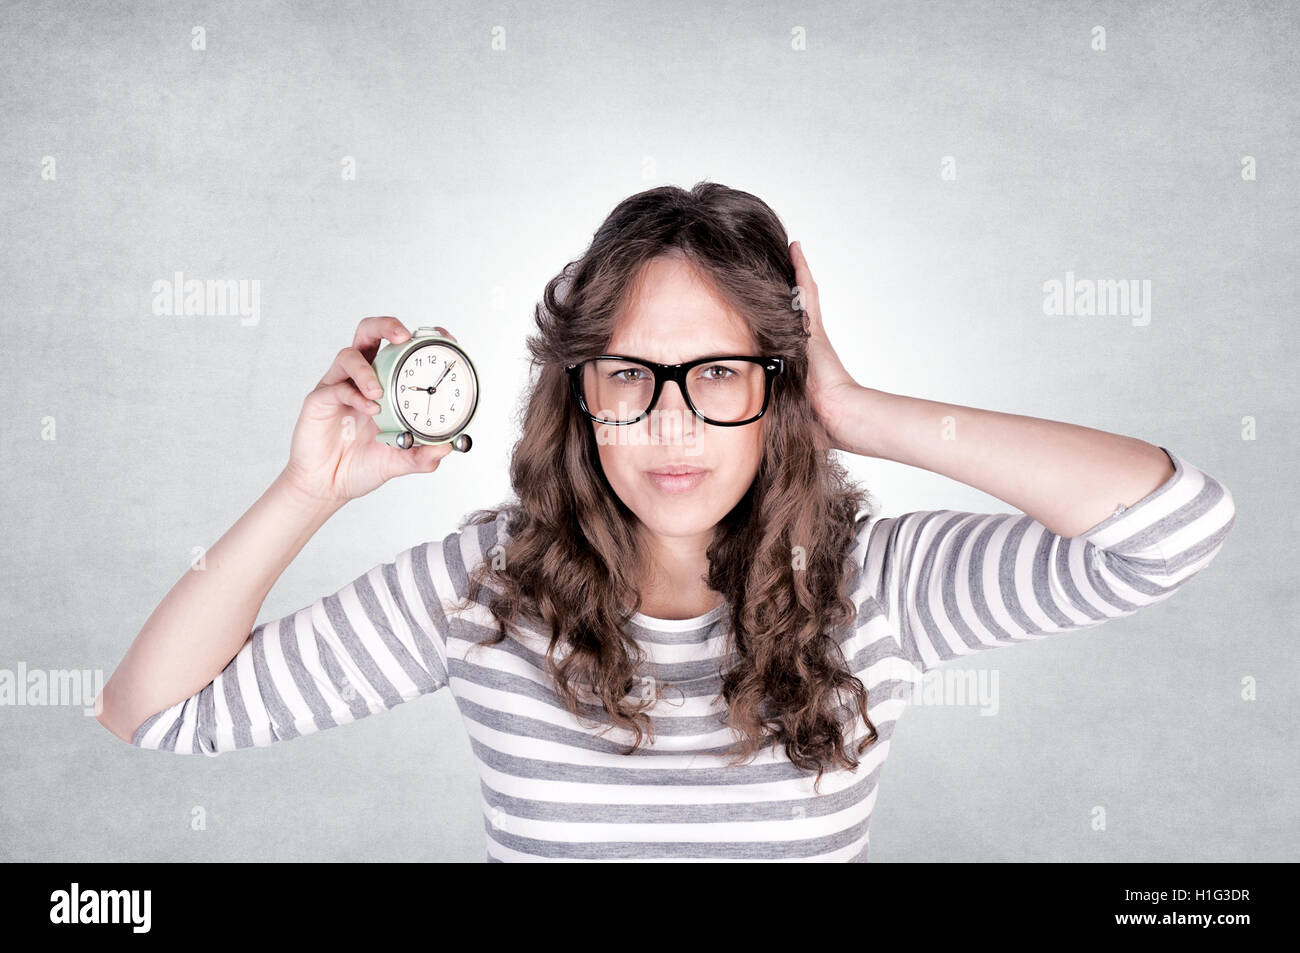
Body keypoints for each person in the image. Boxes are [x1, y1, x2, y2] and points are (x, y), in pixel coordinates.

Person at [96, 182, 1236, 862]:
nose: (673, 422)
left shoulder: (877, 584)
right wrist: (309, 489)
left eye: (720, 373)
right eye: (632, 375)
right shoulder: (487, 586)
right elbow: (151, 711)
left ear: (778, 388)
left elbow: (1173, 528)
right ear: (582, 393)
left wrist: (859, 411)